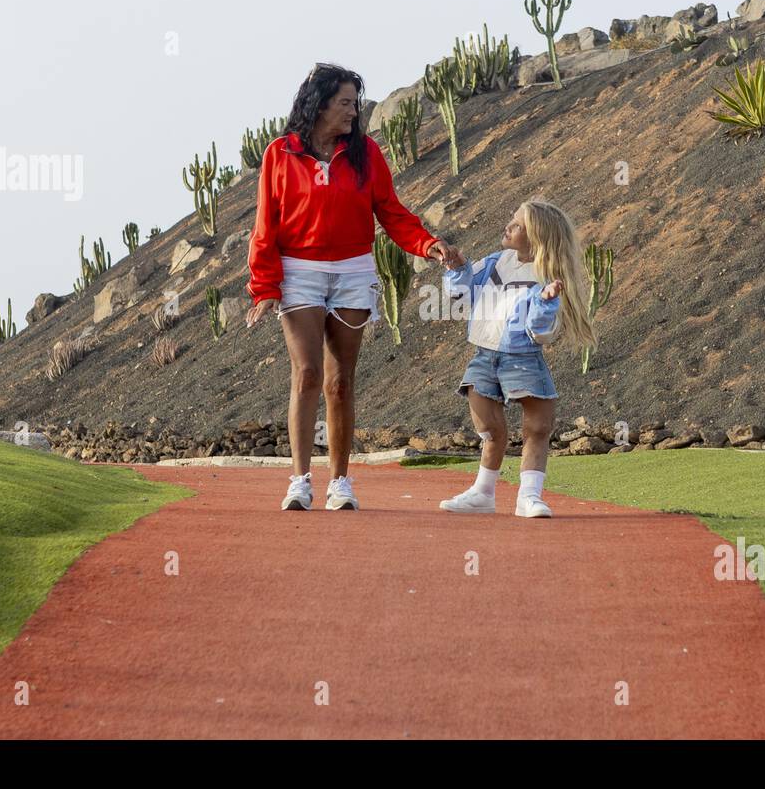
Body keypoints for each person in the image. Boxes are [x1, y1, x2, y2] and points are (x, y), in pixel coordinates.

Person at [245, 63, 460, 511]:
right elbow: (266, 223)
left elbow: (392, 212)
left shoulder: (366, 153)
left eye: (354, 104)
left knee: (340, 382)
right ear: (319, 104)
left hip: (353, 271)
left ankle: (339, 482)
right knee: (307, 373)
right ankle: (300, 480)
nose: (352, 111)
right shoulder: (279, 153)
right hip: (299, 270)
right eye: (345, 103)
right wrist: (265, 285)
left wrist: (428, 244)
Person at [438, 200, 596, 518]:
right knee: (489, 428)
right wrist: (456, 269)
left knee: (537, 427)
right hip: (484, 356)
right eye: (512, 220)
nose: (509, 226)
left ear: (536, 236)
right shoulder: (497, 262)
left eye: (518, 225)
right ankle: (483, 493)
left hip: (522, 359)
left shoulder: (548, 277)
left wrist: (546, 303)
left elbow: (541, 333)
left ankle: (529, 496)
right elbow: (459, 294)